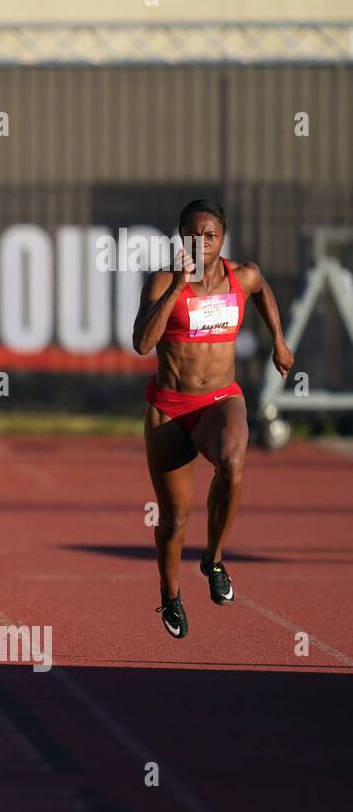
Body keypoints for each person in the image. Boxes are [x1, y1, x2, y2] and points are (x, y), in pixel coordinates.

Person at [132, 199, 293, 638]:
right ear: (179, 236)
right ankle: (170, 594)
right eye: (193, 235)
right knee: (173, 519)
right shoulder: (164, 279)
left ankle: (214, 559)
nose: (201, 243)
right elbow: (143, 344)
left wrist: (278, 339)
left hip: (220, 399)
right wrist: (176, 288)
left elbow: (262, 291)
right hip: (169, 407)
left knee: (233, 462)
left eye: (210, 236)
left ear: (223, 239)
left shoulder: (243, 276)